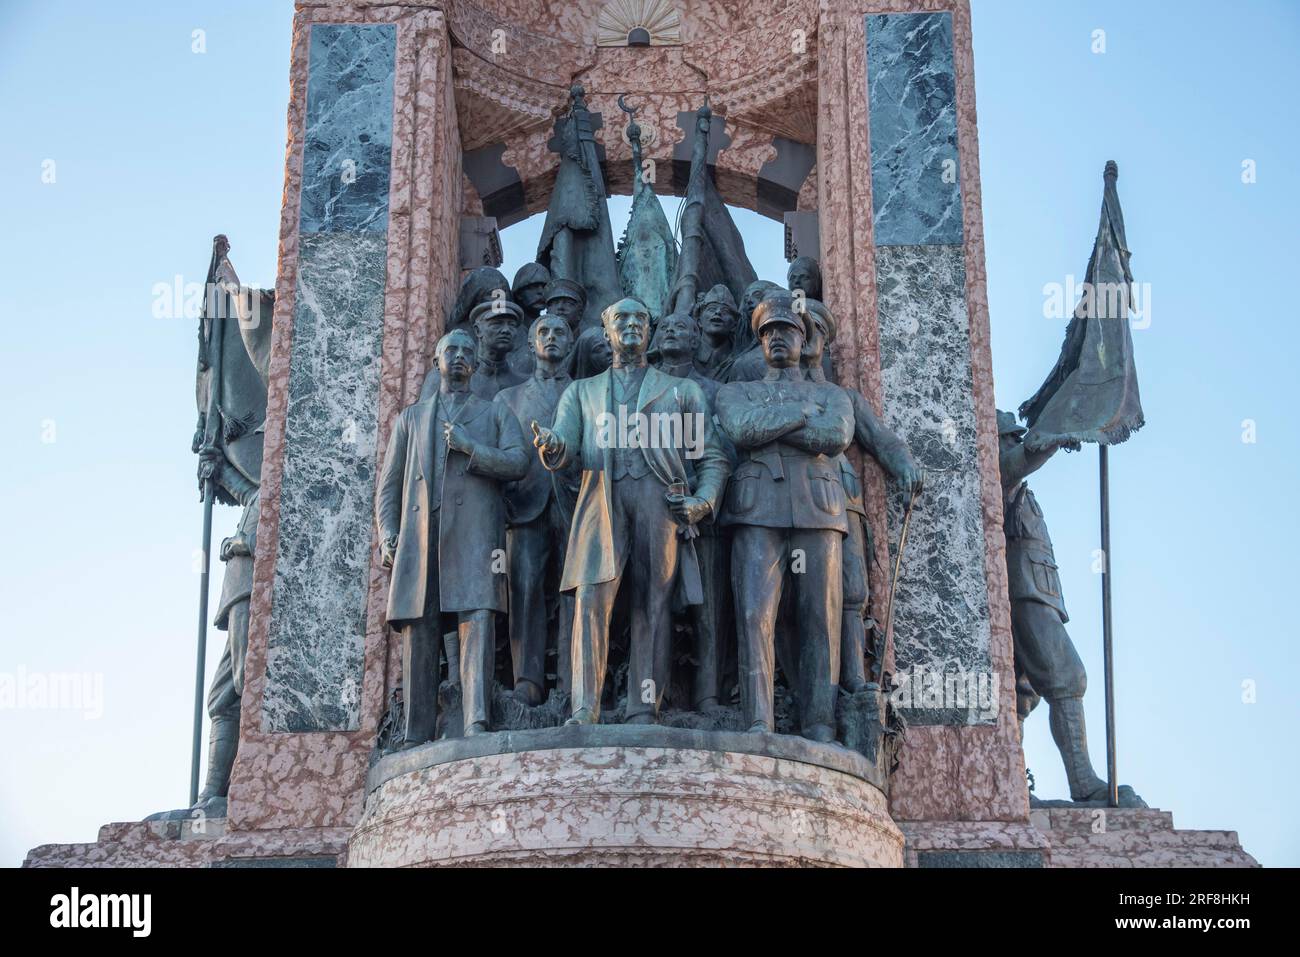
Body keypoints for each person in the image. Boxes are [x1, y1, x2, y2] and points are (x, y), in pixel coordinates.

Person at [533, 298, 730, 725]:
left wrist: (704, 500)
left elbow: (712, 457)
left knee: (652, 603)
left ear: (650, 330)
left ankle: (644, 707)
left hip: (659, 502)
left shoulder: (682, 391)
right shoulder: (581, 392)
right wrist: (553, 446)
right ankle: (585, 708)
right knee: (590, 600)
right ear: (605, 331)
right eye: (620, 317)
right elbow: (565, 445)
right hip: (600, 499)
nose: (631, 324)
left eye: (640, 318)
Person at [377, 329, 529, 743]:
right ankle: (416, 732)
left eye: (467, 351)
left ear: (476, 365)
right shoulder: (411, 419)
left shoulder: (494, 413)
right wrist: (388, 532)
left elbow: (519, 462)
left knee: (476, 619)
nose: (460, 357)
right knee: (420, 631)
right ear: (436, 361)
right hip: (421, 538)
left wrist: (472, 449)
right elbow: (389, 486)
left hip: (475, 535)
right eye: (451, 351)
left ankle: (476, 720)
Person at [715, 293, 854, 741]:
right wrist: (798, 414)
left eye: (786, 330)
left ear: (803, 337)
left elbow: (834, 437)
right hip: (758, 511)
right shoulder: (738, 392)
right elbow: (742, 429)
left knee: (821, 617)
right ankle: (759, 720)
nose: (777, 338)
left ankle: (820, 723)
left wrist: (771, 424)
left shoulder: (832, 395)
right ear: (759, 341)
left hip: (818, 509)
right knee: (755, 614)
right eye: (768, 332)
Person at [1000, 411, 1144, 806]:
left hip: (1038, 591)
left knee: (1021, 695)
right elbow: (1016, 460)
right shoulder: (995, 468)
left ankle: (1011, 786)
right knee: (1067, 676)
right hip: (1022, 592)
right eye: (1008, 438)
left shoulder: (1023, 495)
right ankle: (1082, 783)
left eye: (1016, 437)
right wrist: (1057, 431)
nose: (1015, 443)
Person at [495, 315, 579, 705]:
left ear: (571, 342)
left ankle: (572, 677)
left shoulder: (585, 392)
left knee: (574, 590)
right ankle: (527, 680)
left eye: (560, 332)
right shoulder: (507, 399)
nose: (551, 338)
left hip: (575, 503)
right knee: (525, 589)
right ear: (530, 344)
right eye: (543, 332)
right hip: (524, 505)